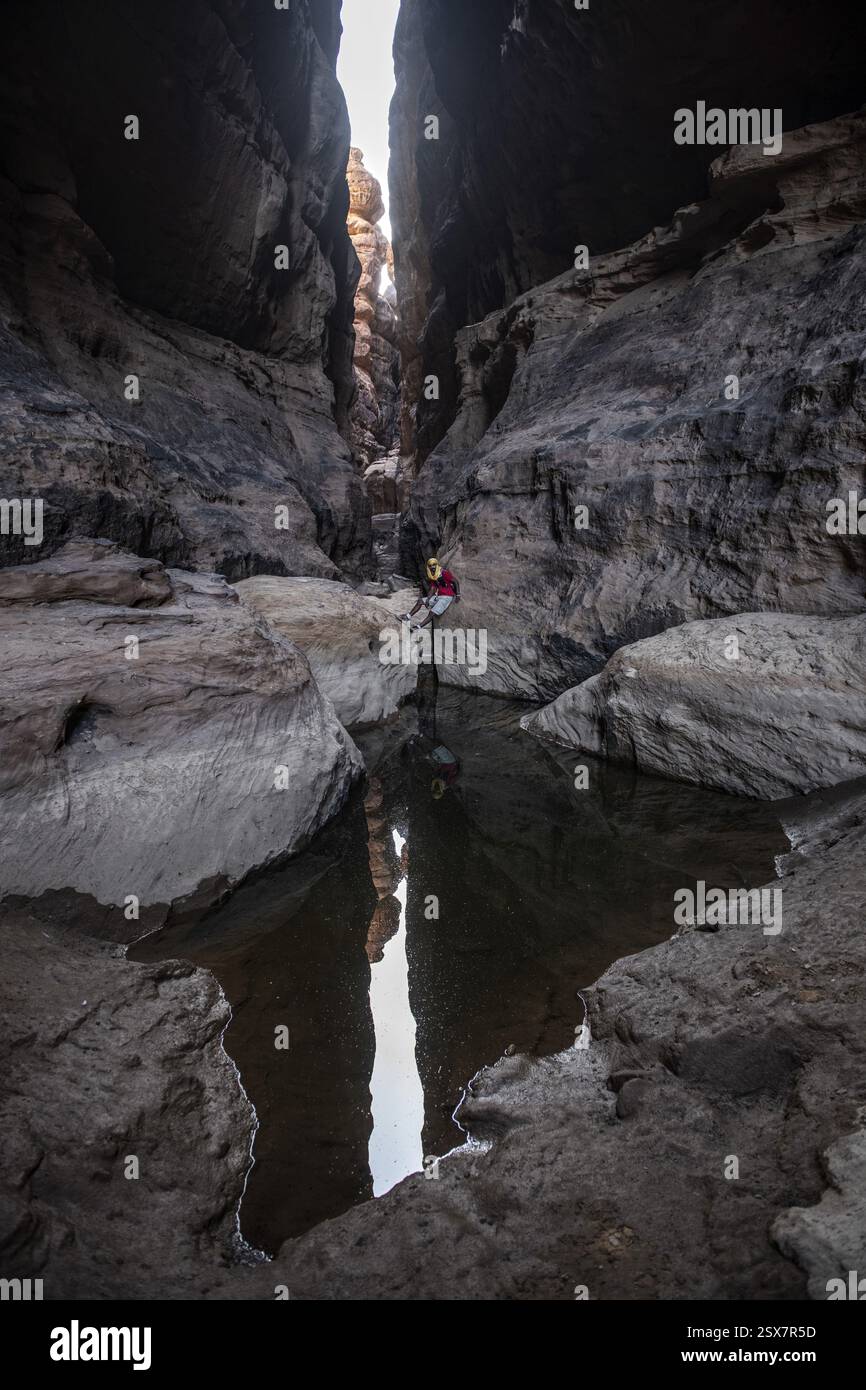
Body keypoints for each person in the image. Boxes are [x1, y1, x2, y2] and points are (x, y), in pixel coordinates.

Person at [401, 558, 460, 629]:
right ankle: (408, 617)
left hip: (446, 597)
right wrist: (428, 599)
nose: (432, 567)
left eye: (434, 565)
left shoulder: (444, 572)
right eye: (430, 565)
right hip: (438, 596)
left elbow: (455, 581)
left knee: (432, 612)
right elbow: (433, 588)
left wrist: (458, 594)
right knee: (420, 601)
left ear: (437, 565)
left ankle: (419, 627)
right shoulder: (432, 575)